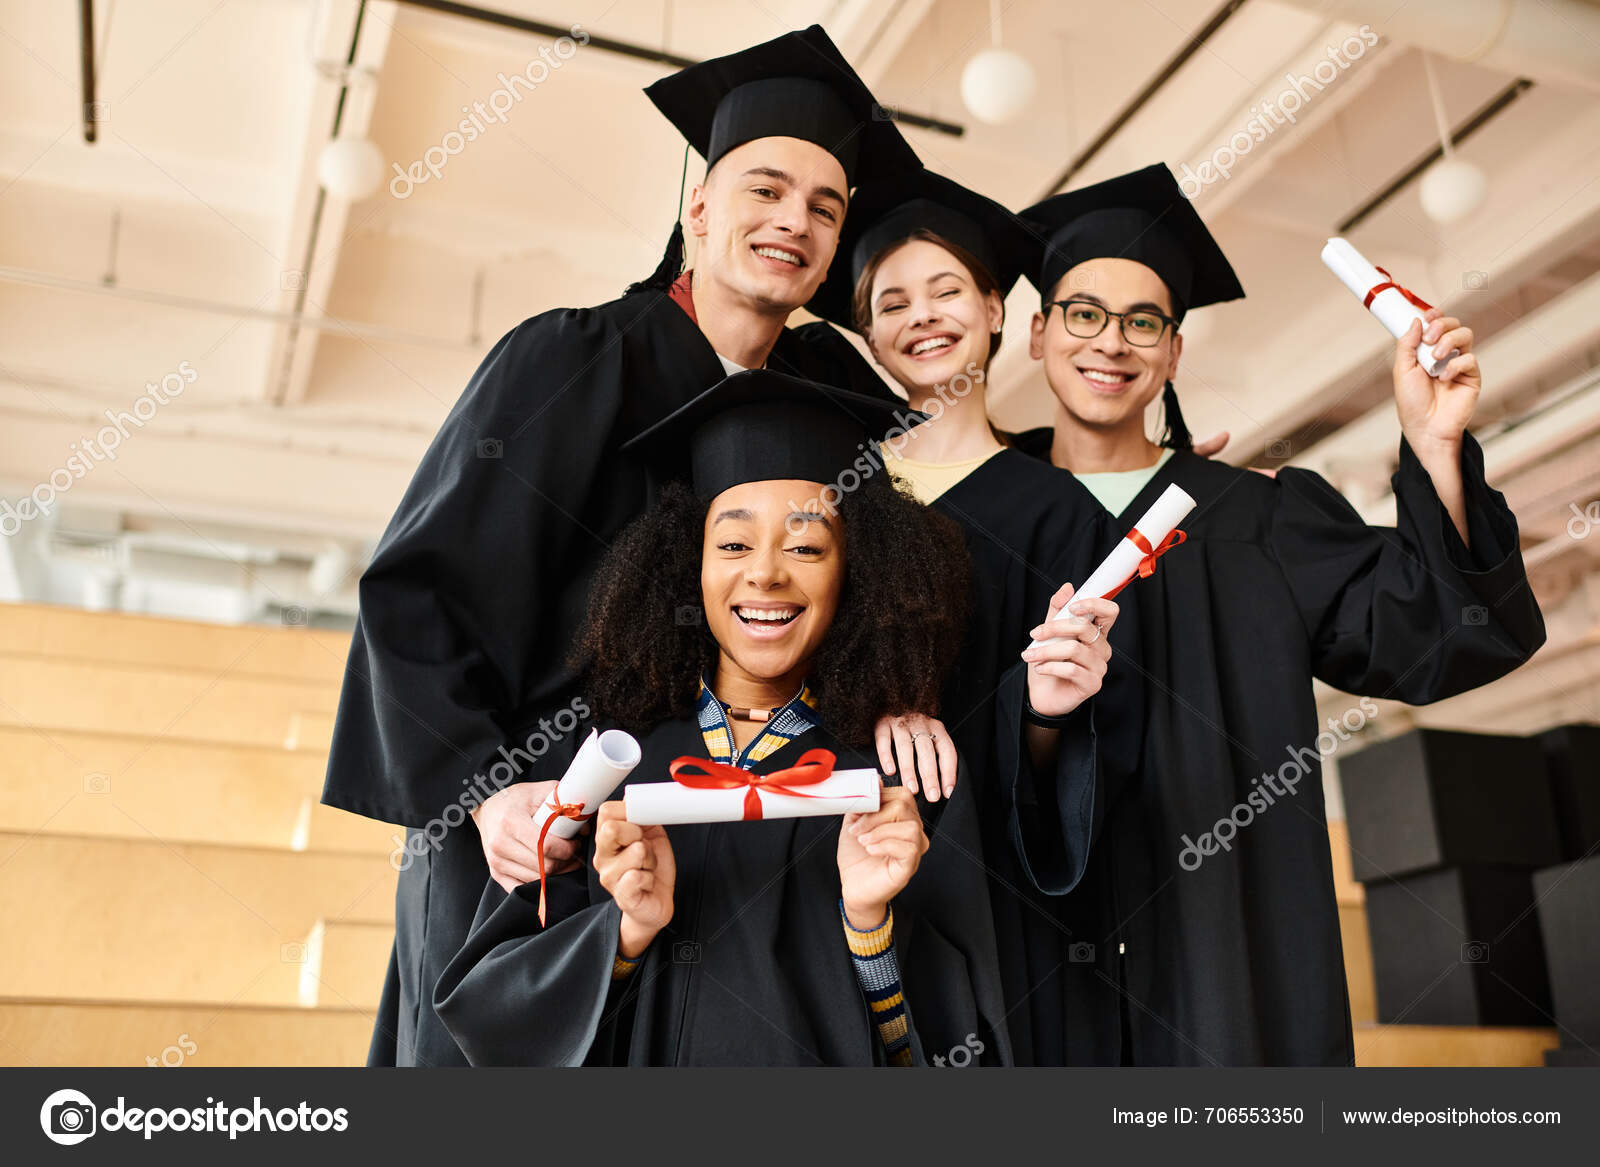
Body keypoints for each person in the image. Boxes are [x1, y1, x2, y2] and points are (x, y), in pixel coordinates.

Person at [321, 26, 949, 1067]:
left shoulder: (827, 398)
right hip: (542, 827)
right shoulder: (571, 359)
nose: (793, 219)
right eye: (764, 189)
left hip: (733, 836)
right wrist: (488, 793)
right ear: (697, 207)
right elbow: (420, 599)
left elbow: (869, 591)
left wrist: (898, 692)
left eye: (824, 207)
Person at [1013, 162, 1547, 1065]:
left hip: (1233, 959)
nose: (1113, 341)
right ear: (1037, 332)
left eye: (1145, 320)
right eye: (1084, 313)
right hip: (1040, 957)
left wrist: (1432, 442)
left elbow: (1432, 631)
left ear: (1175, 351)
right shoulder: (982, 522)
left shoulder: (1255, 517)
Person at [433, 369, 1012, 1066]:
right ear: (688, 568)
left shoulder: (898, 785)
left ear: (857, 571)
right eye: (733, 545)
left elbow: (958, 1062)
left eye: (805, 547)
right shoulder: (604, 768)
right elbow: (491, 1022)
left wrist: (870, 926)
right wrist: (622, 937)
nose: (765, 574)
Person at [807, 167, 1133, 1063]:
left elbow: (1079, 754)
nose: (924, 315)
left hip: (999, 872)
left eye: (948, 290)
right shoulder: (833, 494)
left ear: (996, 311)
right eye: (893, 302)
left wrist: (1046, 711)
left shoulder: (1060, 512)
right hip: (839, 839)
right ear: (868, 337)